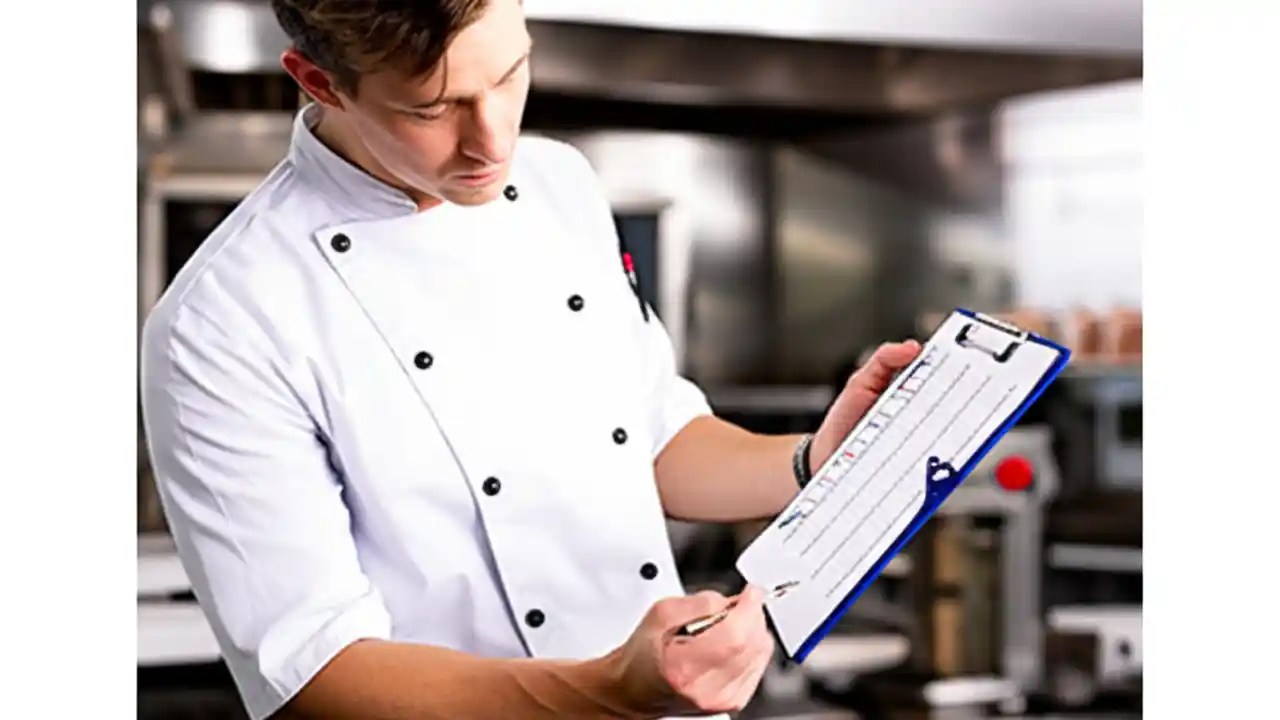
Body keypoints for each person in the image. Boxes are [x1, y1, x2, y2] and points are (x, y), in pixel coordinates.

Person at [138, 1, 921, 718]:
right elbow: (316, 675)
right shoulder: (225, 319)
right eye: (433, 107)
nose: (493, 139)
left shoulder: (558, 183)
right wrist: (611, 688)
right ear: (319, 83)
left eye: (511, 74)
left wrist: (817, 460)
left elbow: (647, 439)